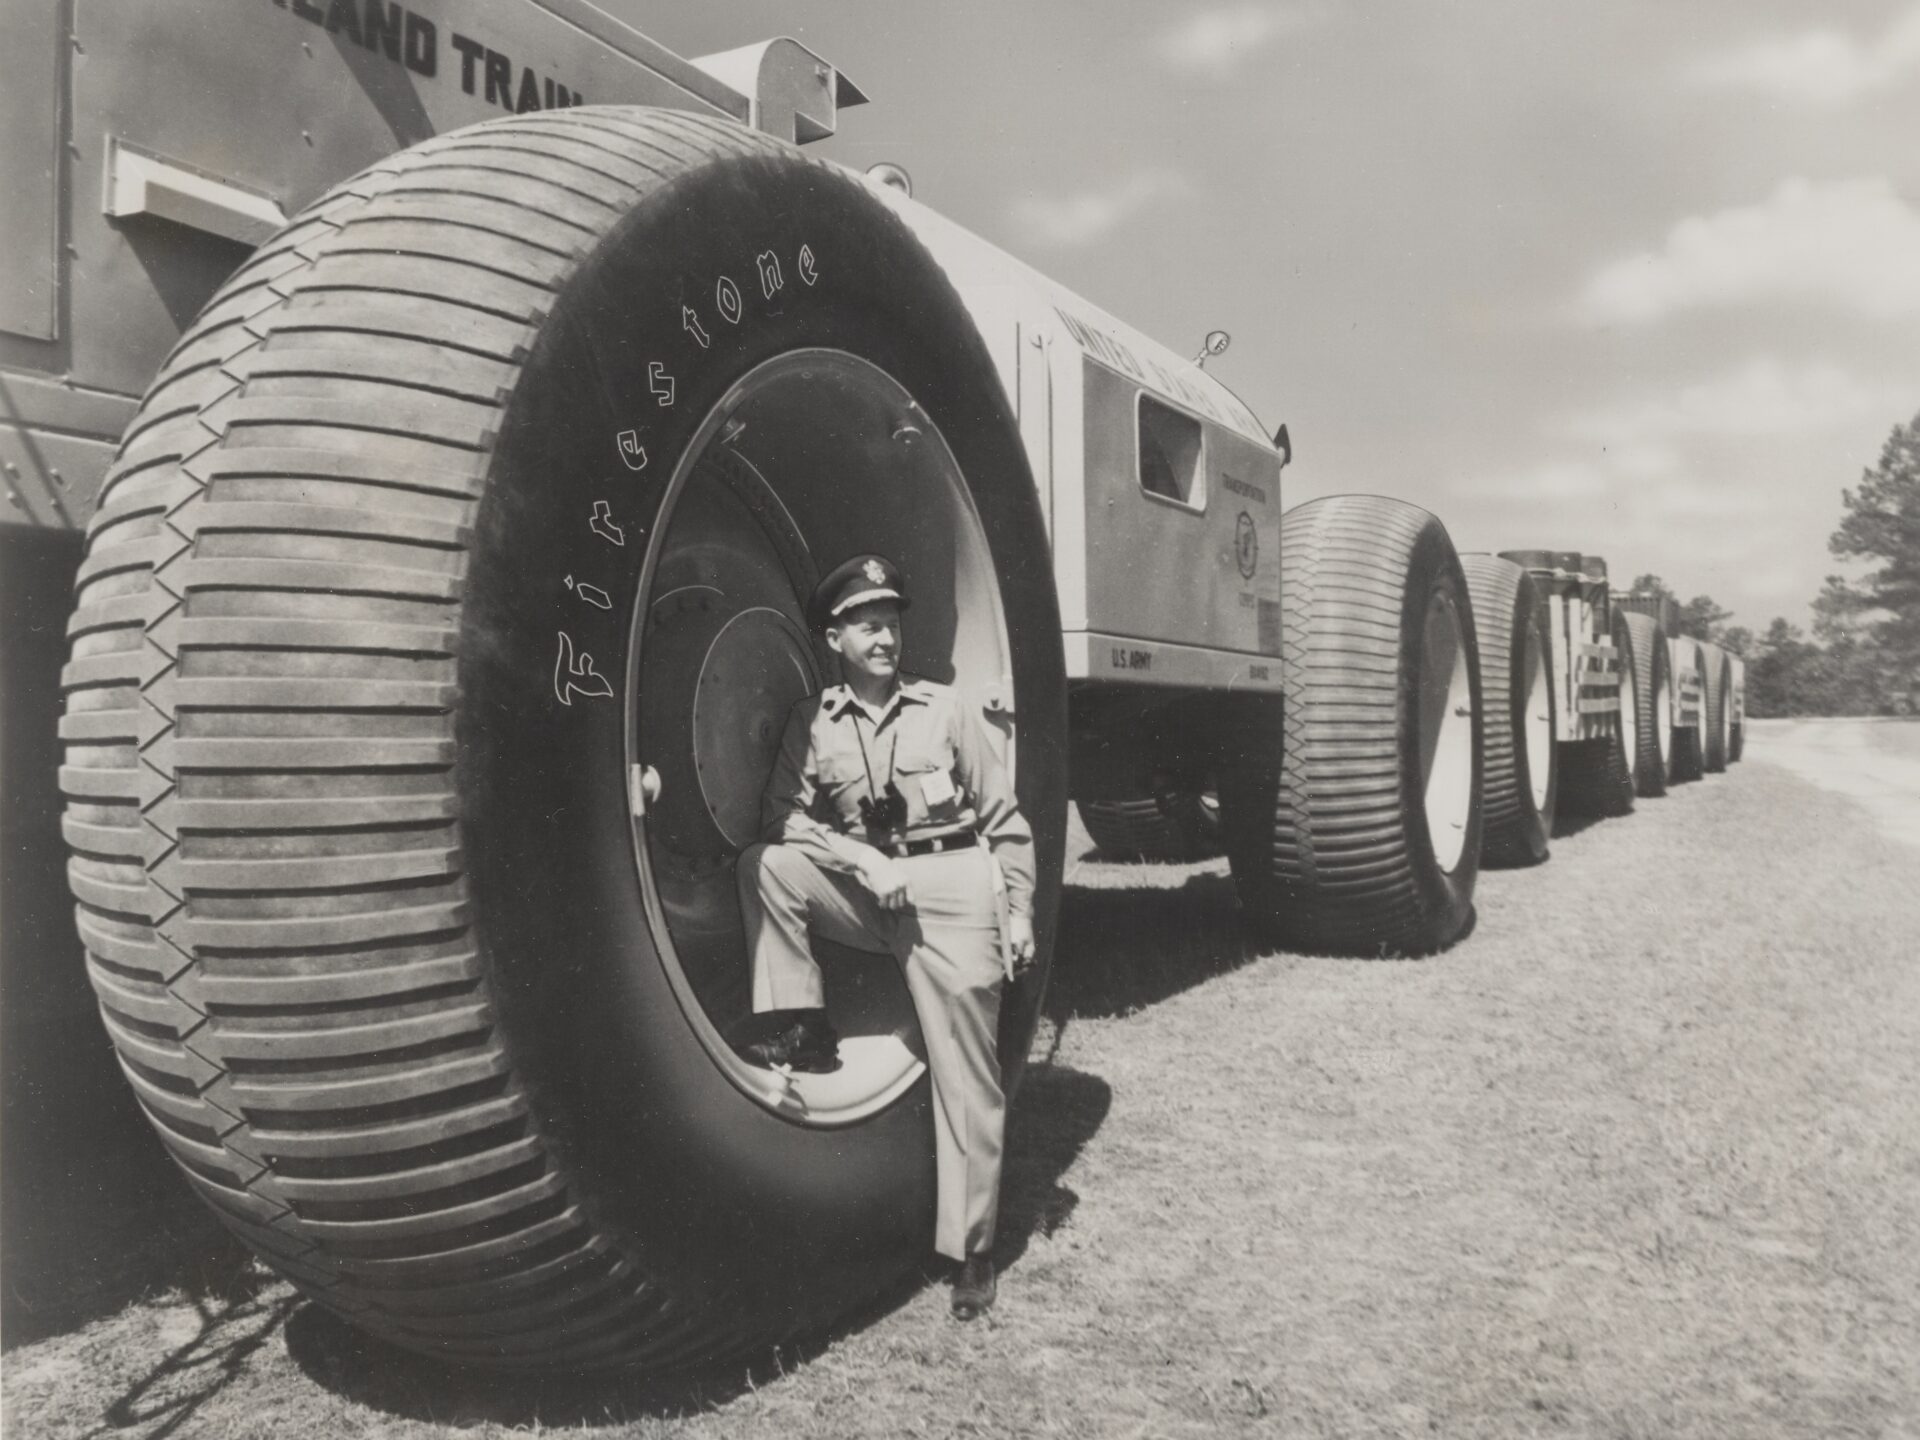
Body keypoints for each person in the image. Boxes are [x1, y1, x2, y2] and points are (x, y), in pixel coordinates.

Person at [734, 553, 1036, 1320]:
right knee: (765, 864)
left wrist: (1021, 912)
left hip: (953, 892)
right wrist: (860, 857)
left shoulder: (946, 709)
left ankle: (972, 1249)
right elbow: (784, 819)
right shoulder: (813, 722)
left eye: (892, 621)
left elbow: (1005, 822)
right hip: (875, 889)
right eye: (868, 624)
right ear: (834, 637)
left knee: (967, 1070)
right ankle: (801, 1022)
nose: (885, 636)